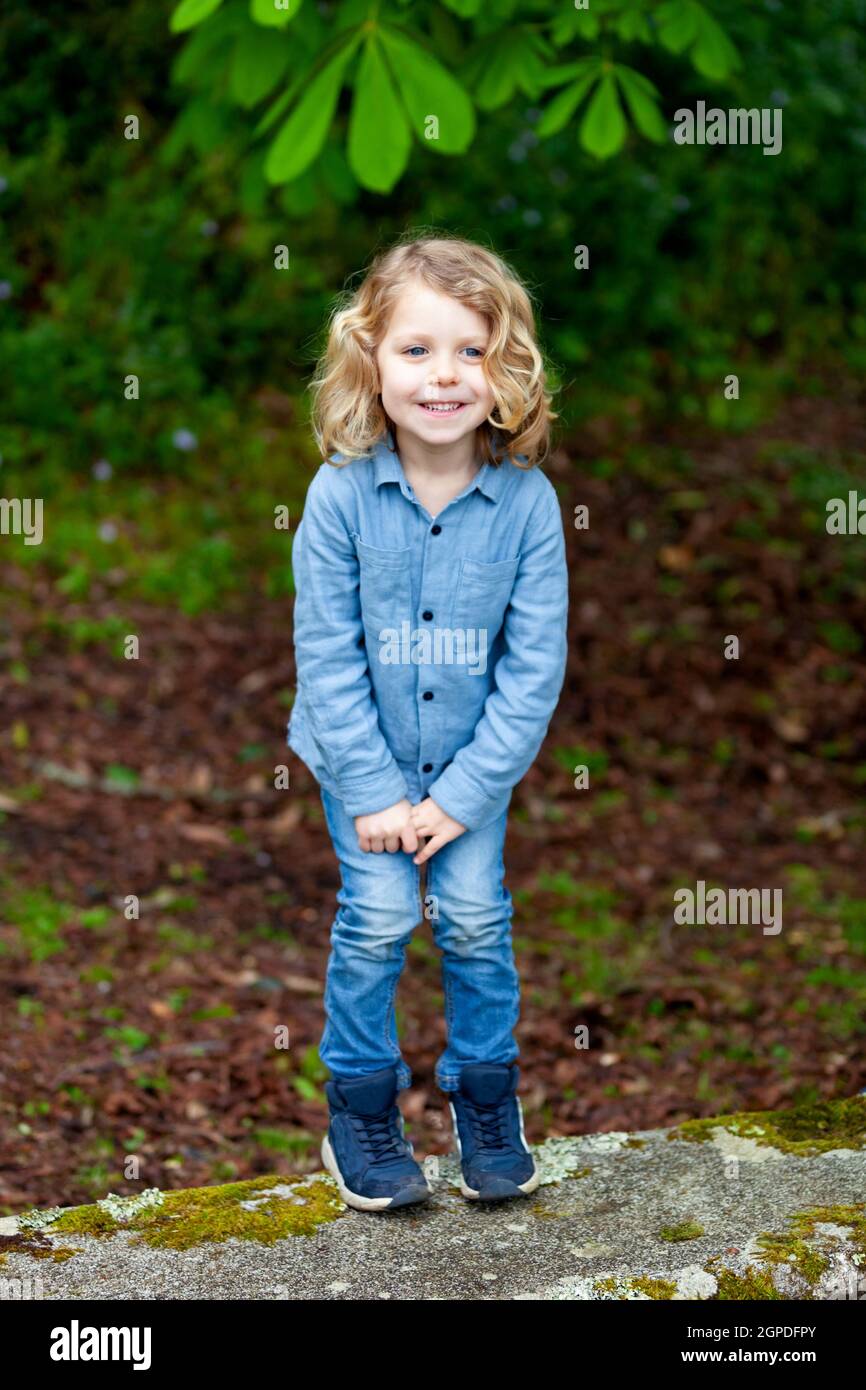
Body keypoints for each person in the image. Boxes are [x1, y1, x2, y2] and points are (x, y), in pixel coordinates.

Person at [287, 233, 569, 1211]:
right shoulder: (335, 499)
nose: (443, 375)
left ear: (505, 372)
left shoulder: (528, 508)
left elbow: (531, 672)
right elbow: (326, 658)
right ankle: (360, 1110)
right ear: (370, 357)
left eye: (470, 351)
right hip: (357, 759)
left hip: (467, 770)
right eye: (415, 349)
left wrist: (458, 796)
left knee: (475, 918)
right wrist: (370, 796)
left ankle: (485, 1100)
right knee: (377, 917)